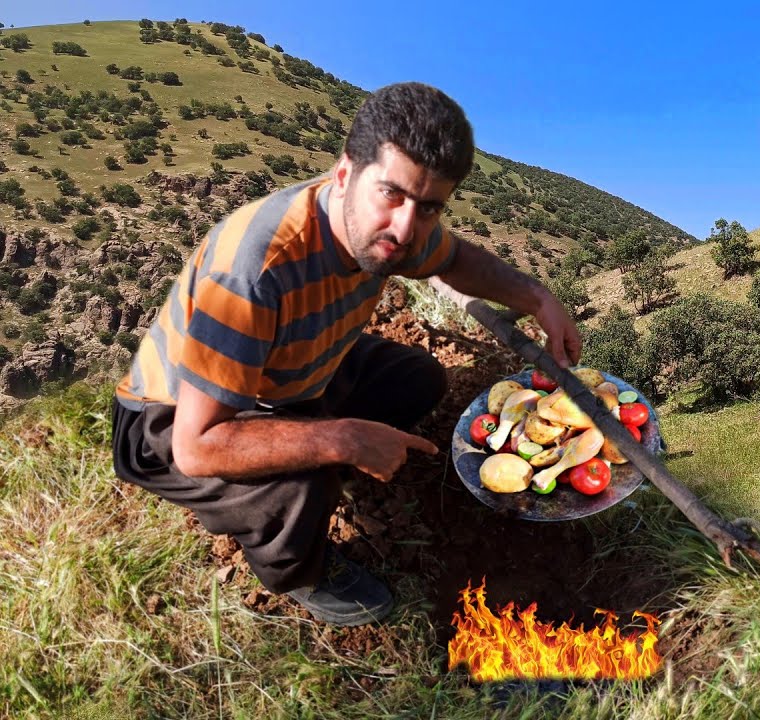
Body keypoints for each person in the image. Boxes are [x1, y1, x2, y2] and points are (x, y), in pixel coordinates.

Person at [110, 83, 582, 626]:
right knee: (299, 485)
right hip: (174, 421)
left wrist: (538, 298)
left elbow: (455, 259)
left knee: (417, 378)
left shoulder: (393, 232)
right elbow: (197, 447)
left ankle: (326, 448)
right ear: (343, 175)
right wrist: (342, 439)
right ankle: (302, 572)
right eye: (391, 195)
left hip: (292, 374)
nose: (405, 227)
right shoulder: (254, 269)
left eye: (429, 207)